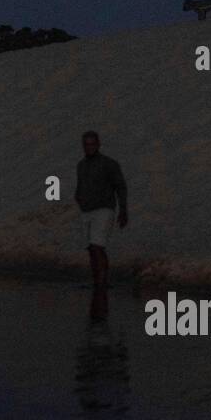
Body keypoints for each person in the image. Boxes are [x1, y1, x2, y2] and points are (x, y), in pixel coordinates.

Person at [74, 131, 128, 318]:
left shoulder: (108, 164)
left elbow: (120, 186)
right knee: (90, 247)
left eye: (92, 144)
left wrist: (123, 210)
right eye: (86, 144)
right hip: (86, 211)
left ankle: (102, 282)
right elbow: (80, 186)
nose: (89, 147)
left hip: (104, 209)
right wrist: (78, 197)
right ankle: (97, 280)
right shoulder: (81, 165)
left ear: (98, 144)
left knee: (98, 246)